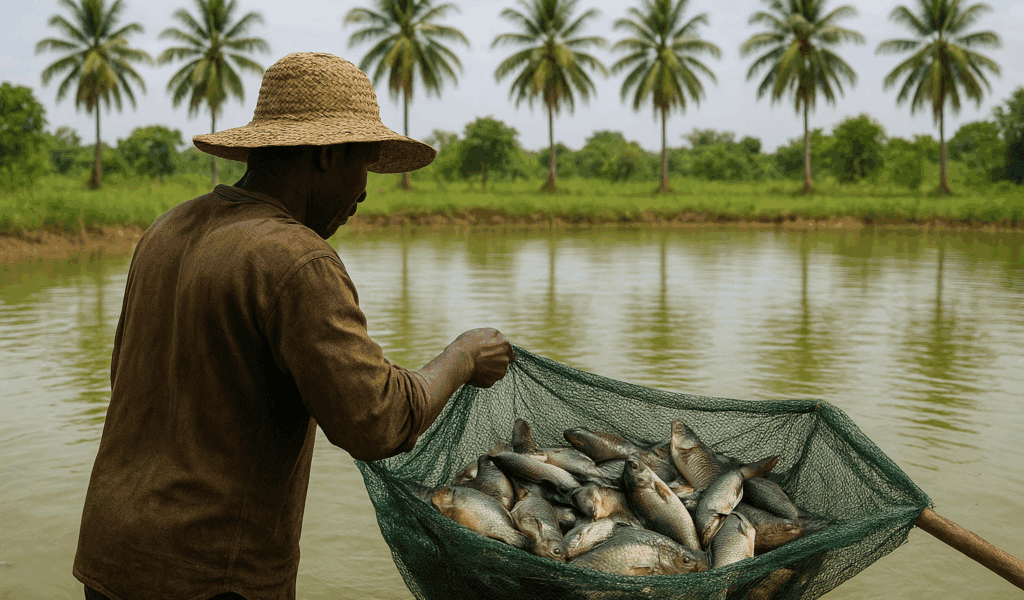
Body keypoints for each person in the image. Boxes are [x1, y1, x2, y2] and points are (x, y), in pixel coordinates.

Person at [73, 52, 514, 600]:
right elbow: (375, 421)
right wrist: (464, 356)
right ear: (327, 156)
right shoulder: (296, 260)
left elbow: (127, 380)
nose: (365, 191)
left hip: (112, 555)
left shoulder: (165, 230)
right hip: (212, 577)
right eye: (362, 166)